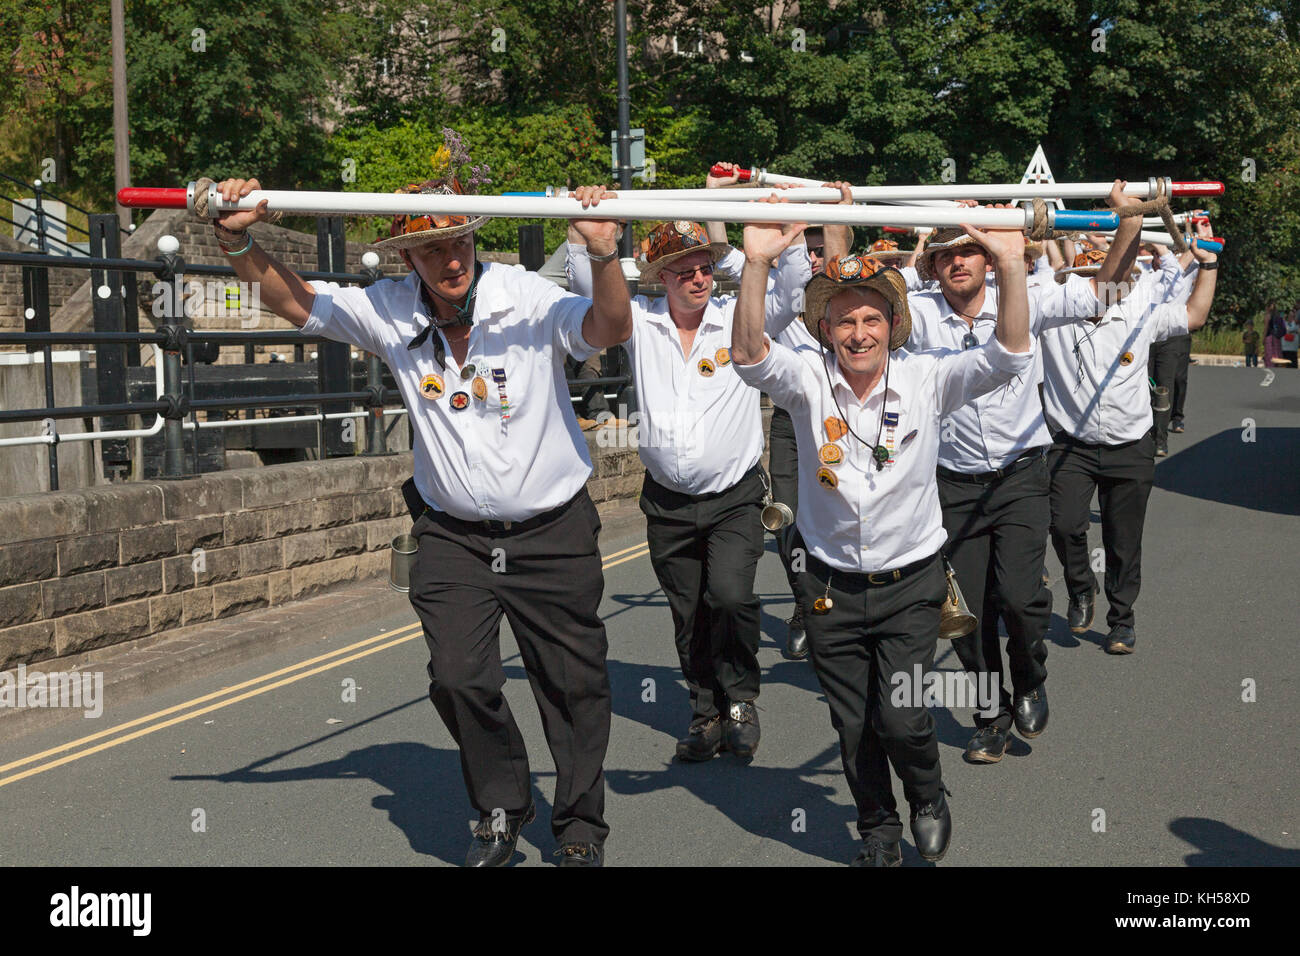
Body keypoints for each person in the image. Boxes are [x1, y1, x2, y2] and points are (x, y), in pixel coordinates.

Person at [210, 162, 633, 868]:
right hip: (453, 535)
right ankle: (500, 808)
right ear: (407, 257)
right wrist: (234, 244)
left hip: (552, 528)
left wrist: (601, 249)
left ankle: (580, 826)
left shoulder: (524, 296)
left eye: (461, 241)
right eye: (433, 249)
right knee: (458, 676)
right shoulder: (389, 307)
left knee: (572, 683)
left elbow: (608, 327)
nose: (451, 258)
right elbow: (300, 304)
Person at [731, 200, 1035, 866]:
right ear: (825, 328)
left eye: (872, 319)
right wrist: (755, 263)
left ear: (893, 326)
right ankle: (878, 826)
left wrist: (1011, 265)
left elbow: (1009, 355)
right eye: (845, 321)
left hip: (910, 585)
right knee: (853, 724)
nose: (859, 333)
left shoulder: (926, 379)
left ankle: (926, 794)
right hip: (829, 590)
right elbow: (750, 356)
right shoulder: (807, 380)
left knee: (903, 717)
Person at [901, 181, 1141, 763]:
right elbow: (843, 290)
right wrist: (835, 219)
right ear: (932, 264)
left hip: (1021, 476)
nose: (957, 260)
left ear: (989, 256)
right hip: (951, 483)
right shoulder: (912, 314)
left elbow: (1105, 291)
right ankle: (990, 714)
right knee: (964, 614)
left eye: (969, 249)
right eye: (945, 253)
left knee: (1020, 597)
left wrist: (1128, 228)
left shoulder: (1026, 293)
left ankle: (1030, 680)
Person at [567, 214, 810, 759]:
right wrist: (580, 233)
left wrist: (787, 238)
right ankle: (706, 714)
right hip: (667, 501)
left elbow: (791, 297)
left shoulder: (736, 318)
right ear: (661, 278)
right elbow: (587, 287)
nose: (699, 280)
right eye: (684, 272)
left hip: (735, 497)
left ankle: (741, 699)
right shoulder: (640, 321)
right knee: (689, 613)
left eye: (704, 269)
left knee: (729, 596)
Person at [1040, 218, 1220, 654]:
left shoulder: (1140, 308)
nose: (1096, 291)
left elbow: (1193, 315)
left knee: (1124, 539)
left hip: (1130, 443)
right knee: (1064, 526)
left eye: (1105, 282)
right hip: (1072, 446)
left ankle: (1122, 620)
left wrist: (1209, 265)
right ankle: (1081, 588)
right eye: (1086, 281)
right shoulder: (1051, 314)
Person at [1264, 304, 1286, 369]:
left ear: (1268, 308)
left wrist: (1263, 338)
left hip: (1269, 337)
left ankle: (1270, 366)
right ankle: (1278, 366)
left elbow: (1266, 328)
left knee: (1269, 353)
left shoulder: (1268, 316)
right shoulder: (1278, 316)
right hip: (1277, 337)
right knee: (1277, 352)